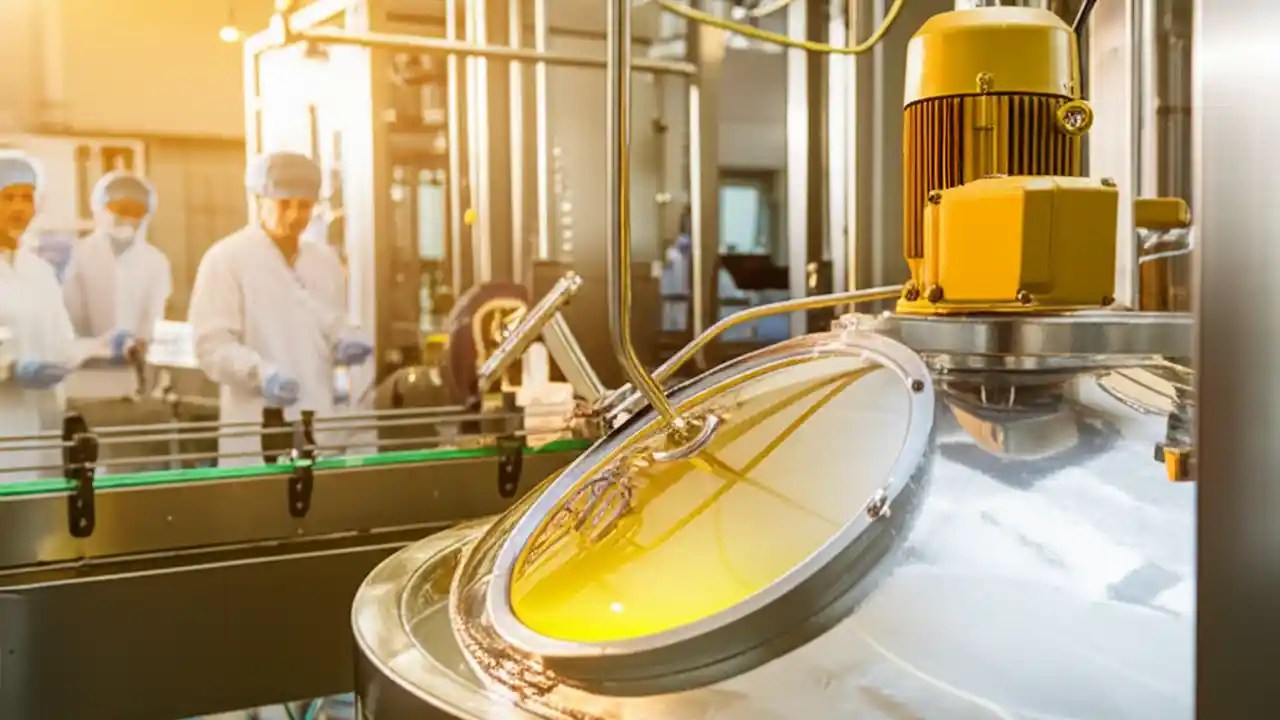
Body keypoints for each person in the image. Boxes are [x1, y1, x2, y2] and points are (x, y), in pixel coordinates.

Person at [187, 152, 372, 467]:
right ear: (259, 199)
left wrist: (344, 340)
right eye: (285, 204)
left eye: (305, 205)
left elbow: (325, 321)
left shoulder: (323, 261)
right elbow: (211, 346)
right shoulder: (227, 259)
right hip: (255, 428)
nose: (295, 215)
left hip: (317, 423)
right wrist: (262, 373)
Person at [0, 157, 78, 483]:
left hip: (30, 430)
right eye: (8, 197)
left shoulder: (40, 272)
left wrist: (65, 362)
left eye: (27, 197)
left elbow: (62, 340)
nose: (19, 208)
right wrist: (11, 366)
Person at [62, 171, 172, 400]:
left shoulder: (155, 261)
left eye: (136, 211)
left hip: (136, 378)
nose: (129, 218)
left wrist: (140, 344)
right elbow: (67, 323)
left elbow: (153, 319)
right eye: (121, 209)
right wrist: (101, 346)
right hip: (83, 375)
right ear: (100, 208)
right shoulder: (78, 257)